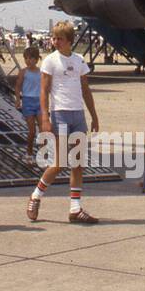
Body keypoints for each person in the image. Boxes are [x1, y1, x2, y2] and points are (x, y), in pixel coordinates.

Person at [27, 20, 100, 225]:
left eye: (59, 38)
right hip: (59, 114)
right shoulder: (50, 61)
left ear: (69, 40)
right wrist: (44, 116)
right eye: (54, 37)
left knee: (78, 163)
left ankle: (75, 209)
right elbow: (43, 90)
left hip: (78, 115)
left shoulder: (79, 61)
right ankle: (35, 196)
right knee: (59, 163)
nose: (55, 41)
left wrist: (94, 115)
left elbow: (86, 90)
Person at [15, 46, 42, 162]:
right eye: (26, 58)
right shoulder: (23, 72)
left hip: (40, 102)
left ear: (36, 59)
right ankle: (29, 153)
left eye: (31, 58)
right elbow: (17, 86)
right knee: (32, 131)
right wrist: (17, 99)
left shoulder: (41, 72)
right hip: (28, 102)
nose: (28, 61)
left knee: (44, 130)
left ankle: (43, 154)